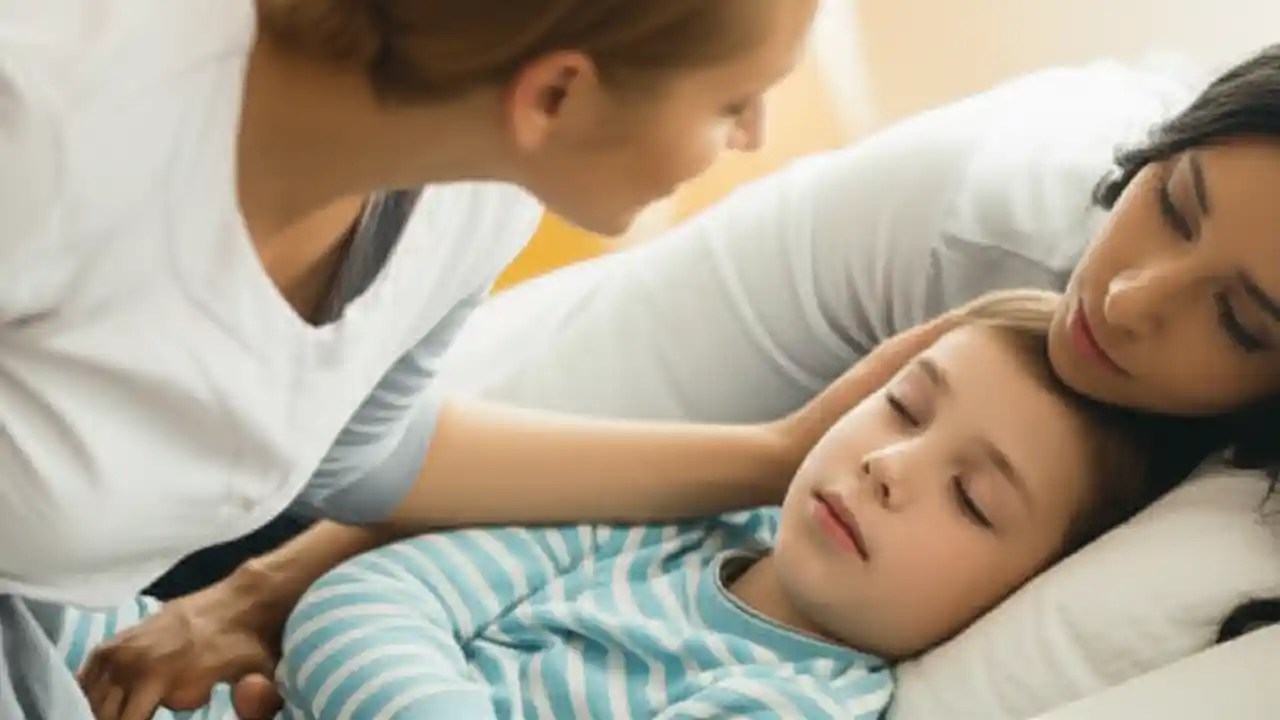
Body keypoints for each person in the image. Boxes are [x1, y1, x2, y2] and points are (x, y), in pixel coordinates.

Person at [85, 40, 1280, 720]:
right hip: (352, 476)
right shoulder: (985, 222)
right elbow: (385, 493)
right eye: (1170, 206)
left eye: (1234, 318)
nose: (1129, 298)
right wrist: (261, 599)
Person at [0, 1, 834, 718]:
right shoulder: (48, 113)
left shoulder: (477, 201)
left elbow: (363, 454)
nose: (753, 136)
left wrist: (776, 458)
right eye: (734, 103)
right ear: (556, 93)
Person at [62, 291, 1200, 720]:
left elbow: (366, 642)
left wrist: (361, 687)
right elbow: (361, 599)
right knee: (55, 598)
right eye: (903, 408)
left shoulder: (796, 706)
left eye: (971, 498)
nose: (892, 466)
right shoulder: (663, 532)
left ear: (1018, 598)